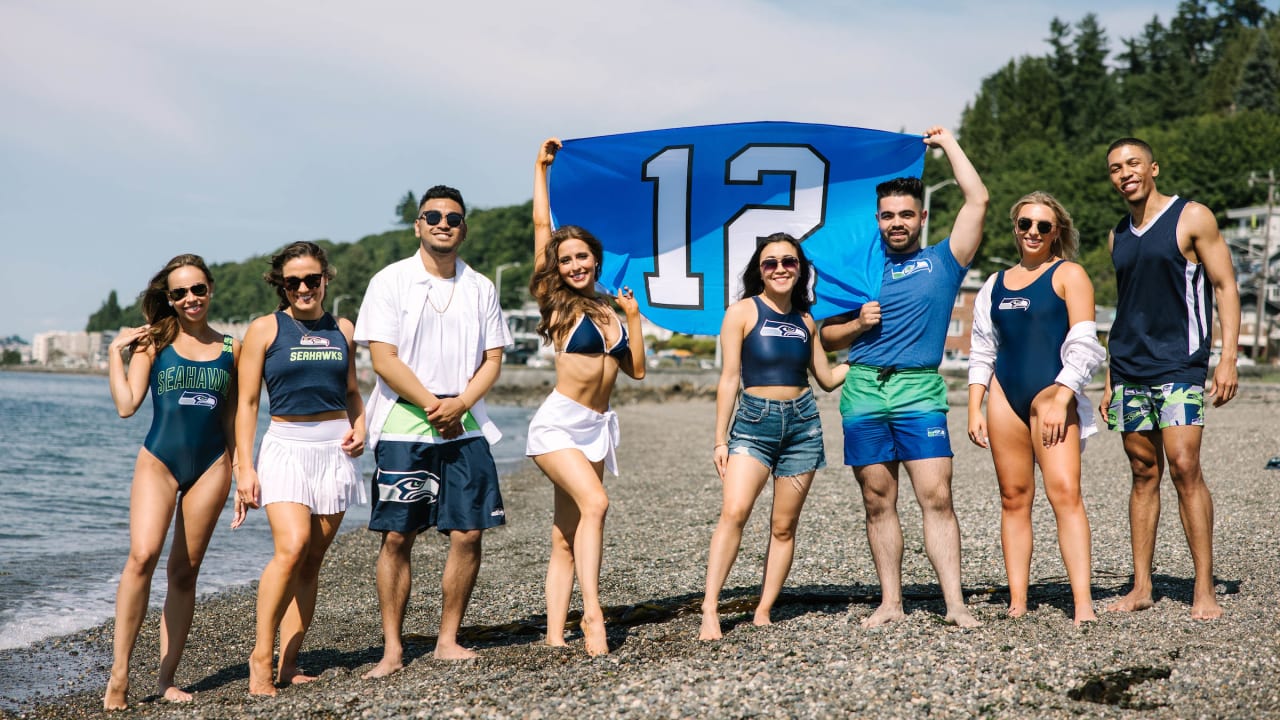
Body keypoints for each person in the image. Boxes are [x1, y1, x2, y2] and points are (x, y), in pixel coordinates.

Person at [819, 126, 986, 629]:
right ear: (877, 220)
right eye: (888, 215)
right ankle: (891, 602)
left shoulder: (943, 261)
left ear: (922, 217)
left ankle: (954, 604)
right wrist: (856, 325)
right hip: (863, 390)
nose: (897, 223)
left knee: (936, 496)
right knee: (877, 500)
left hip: (919, 390)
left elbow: (977, 199)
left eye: (906, 215)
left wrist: (949, 144)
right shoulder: (858, 273)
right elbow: (825, 338)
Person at [355, 184, 512, 675]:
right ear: (418, 225)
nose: (444, 223)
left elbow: (493, 359)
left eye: (453, 217)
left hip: (465, 424)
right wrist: (431, 403)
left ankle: (447, 638)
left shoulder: (481, 286)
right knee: (398, 536)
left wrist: (460, 403)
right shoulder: (390, 280)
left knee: (468, 532)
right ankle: (393, 649)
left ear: (463, 228)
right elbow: (383, 359)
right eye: (434, 216)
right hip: (405, 420)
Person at [1102, 138, 1241, 620]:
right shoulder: (1117, 235)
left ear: (1153, 167)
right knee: (1143, 473)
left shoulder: (1192, 217)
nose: (1125, 173)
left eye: (1133, 163)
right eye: (1116, 168)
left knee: (1184, 466)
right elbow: (1127, 307)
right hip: (1127, 369)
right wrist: (1109, 376)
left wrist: (1227, 358)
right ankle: (1141, 586)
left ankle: (1204, 588)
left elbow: (1225, 285)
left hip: (1179, 364)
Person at [526, 138, 647, 656]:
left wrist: (636, 321)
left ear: (596, 260)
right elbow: (540, 230)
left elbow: (637, 372)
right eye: (567, 258)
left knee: (565, 533)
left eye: (582, 257)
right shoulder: (556, 302)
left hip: (596, 427)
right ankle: (592, 615)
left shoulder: (611, 311)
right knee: (596, 504)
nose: (575, 264)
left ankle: (554, 634)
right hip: (557, 425)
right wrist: (540, 170)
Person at [103, 254, 239, 709]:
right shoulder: (154, 343)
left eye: (197, 289)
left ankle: (166, 678)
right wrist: (112, 355)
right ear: (169, 298)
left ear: (210, 289)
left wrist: (242, 473)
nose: (190, 299)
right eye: (179, 292)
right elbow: (126, 405)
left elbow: (236, 417)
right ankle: (119, 677)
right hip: (158, 461)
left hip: (212, 465)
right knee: (142, 557)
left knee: (183, 571)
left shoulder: (230, 349)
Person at [698, 233, 848, 641]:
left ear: (800, 269)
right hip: (752, 425)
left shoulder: (806, 320)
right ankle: (710, 608)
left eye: (789, 262)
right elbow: (729, 378)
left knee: (784, 526)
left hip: (803, 426)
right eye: (770, 263)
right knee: (734, 512)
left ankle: (764, 608)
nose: (780, 268)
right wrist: (719, 439)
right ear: (759, 271)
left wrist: (870, 356)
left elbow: (828, 378)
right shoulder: (742, 312)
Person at [232, 241, 366, 695]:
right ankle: (260, 659)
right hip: (286, 446)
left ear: (326, 279)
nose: (304, 288)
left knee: (311, 563)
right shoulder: (265, 329)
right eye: (294, 282)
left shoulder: (343, 328)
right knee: (291, 548)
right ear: (282, 285)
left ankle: (289, 663)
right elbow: (248, 402)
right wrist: (243, 466)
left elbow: (351, 391)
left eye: (312, 279)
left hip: (334, 449)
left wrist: (361, 425)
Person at [966, 192, 1106, 626]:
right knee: (1013, 498)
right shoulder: (994, 283)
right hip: (1004, 399)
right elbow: (982, 350)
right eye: (1025, 223)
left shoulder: (1070, 275)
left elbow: (1085, 345)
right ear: (1015, 227)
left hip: (1051, 396)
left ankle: (1082, 603)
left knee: (1065, 494)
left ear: (1056, 232)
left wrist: (1063, 396)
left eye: (1043, 226)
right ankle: (1018, 601)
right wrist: (974, 406)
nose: (1033, 232)